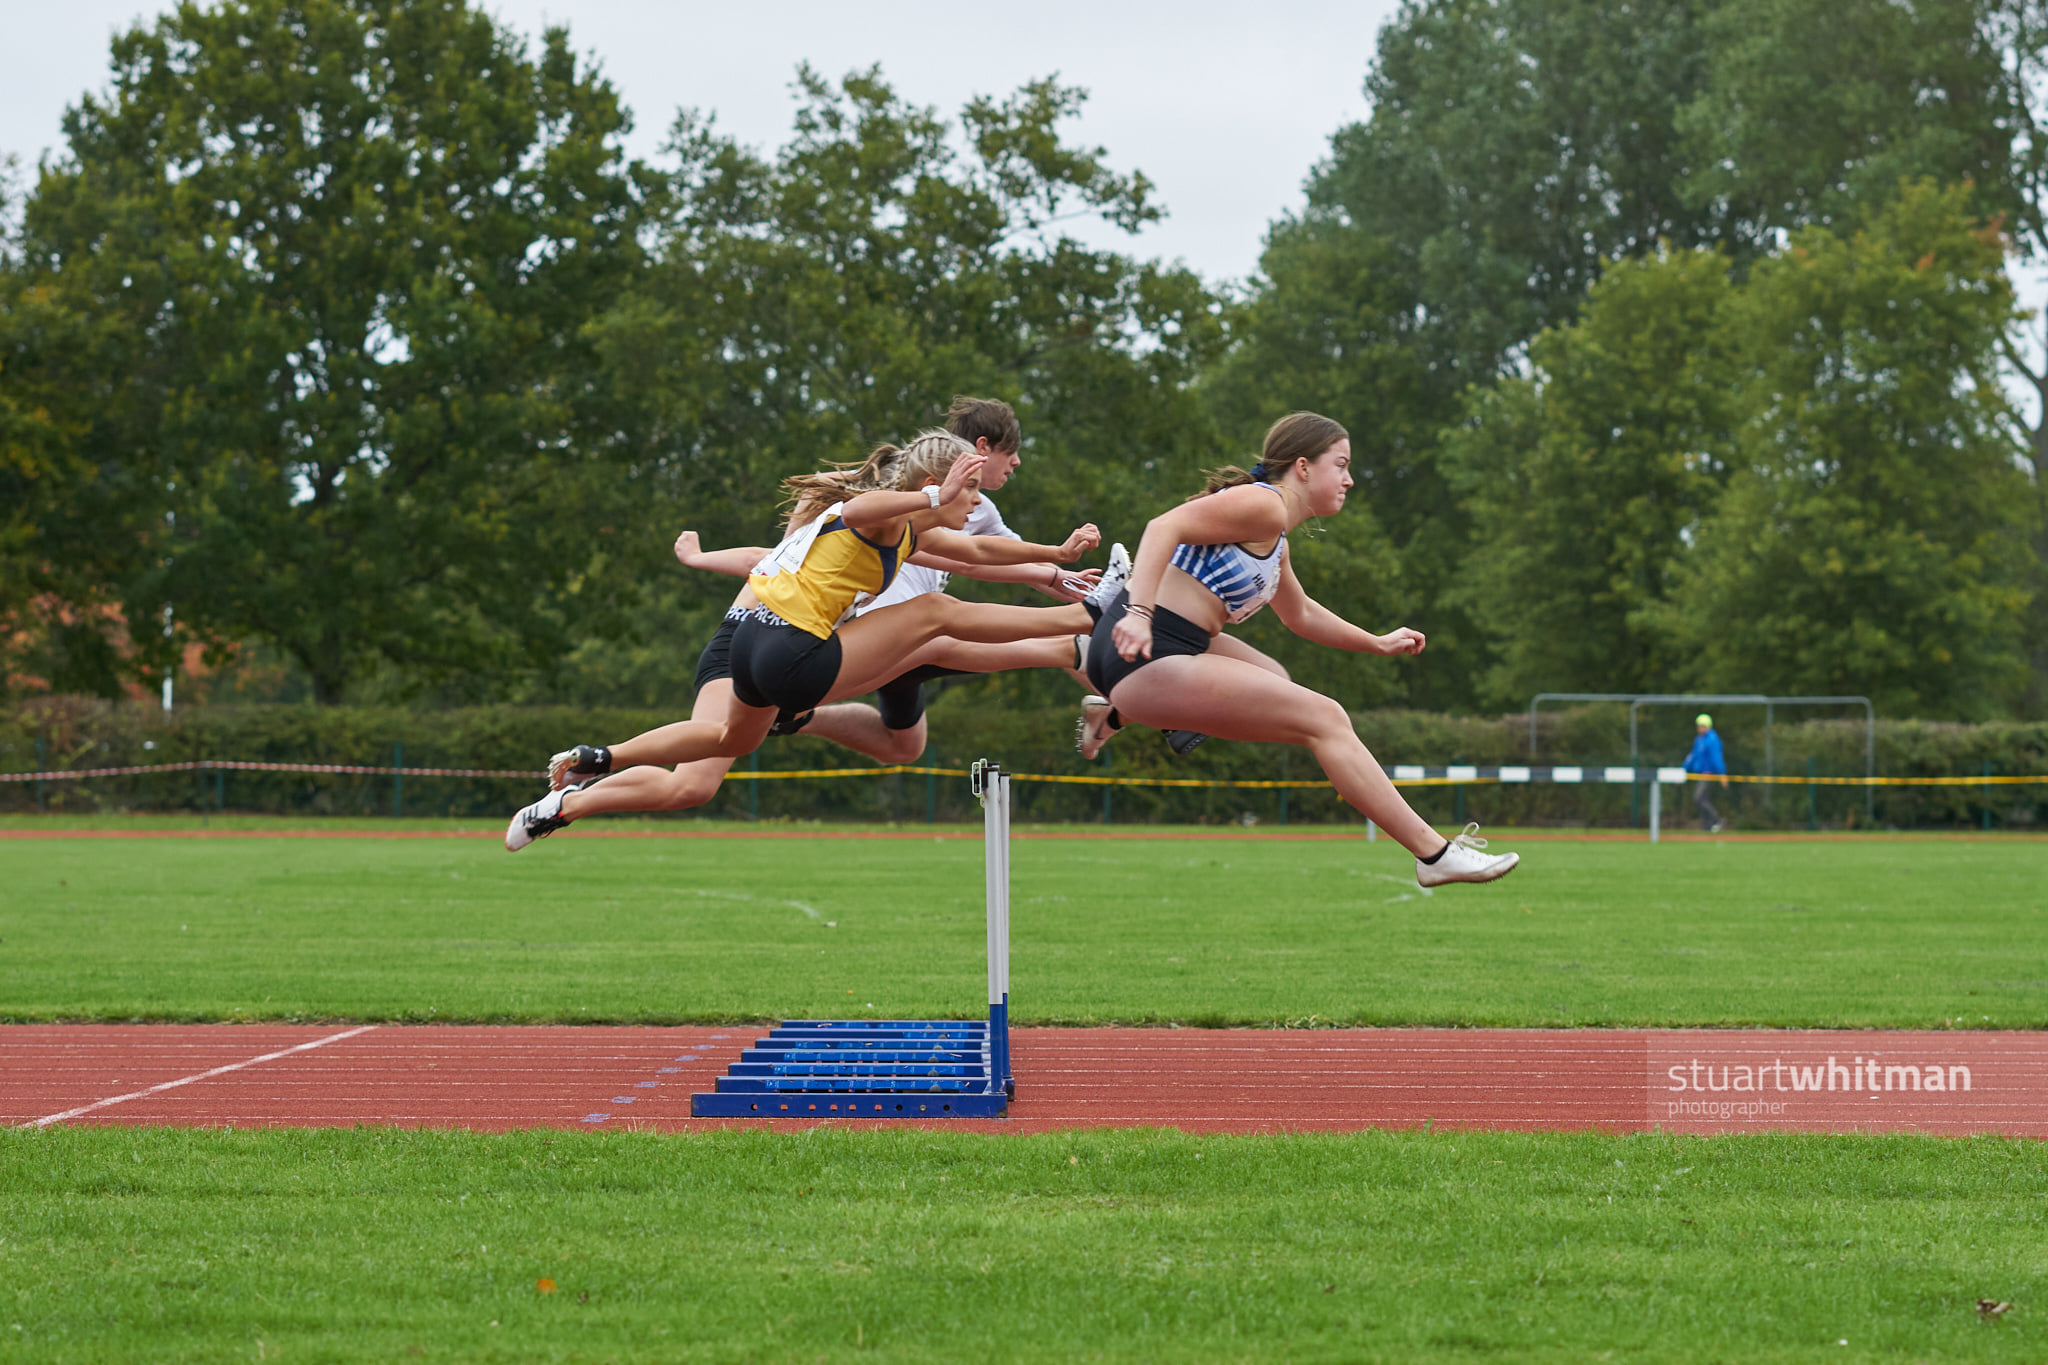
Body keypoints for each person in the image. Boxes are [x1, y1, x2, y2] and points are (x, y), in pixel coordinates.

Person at [506, 428, 1101, 849]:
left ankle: (595, 763)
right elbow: (872, 515)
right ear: (928, 483)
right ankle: (1085, 625)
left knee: (706, 760)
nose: (974, 506)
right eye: (969, 495)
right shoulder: (870, 511)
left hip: (759, 647)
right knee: (935, 621)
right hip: (778, 649)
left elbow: (977, 550)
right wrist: (937, 498)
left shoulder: (911, 532)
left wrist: (1055, 555)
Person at [1080, 410, 1520, 887]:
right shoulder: (1264, 505)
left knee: (1277, 681)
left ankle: (1111, 716)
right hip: (1147, 645)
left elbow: (1301, 615)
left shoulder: (1276, 541)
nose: (1350, 480)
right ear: (1303, 467)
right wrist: (1140, 613)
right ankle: (1434, 855)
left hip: (1165, 646)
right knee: (1325, 718)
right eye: (1342, 464)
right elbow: (1161, 527)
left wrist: (1376, 642)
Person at [1683, 712, 1728, 833]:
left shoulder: (1712, 739)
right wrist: (1683, 770)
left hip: (1708, 773)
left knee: (1698, 798)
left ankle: (1717, 820)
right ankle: (1707, 826)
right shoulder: (1699, 739)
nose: (1698, 728)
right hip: (1700, 773)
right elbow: (1692, 756)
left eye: (1701, 725)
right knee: (1703, 799)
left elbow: (1716, 758)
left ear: (1707, 726)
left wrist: (1722, 773)